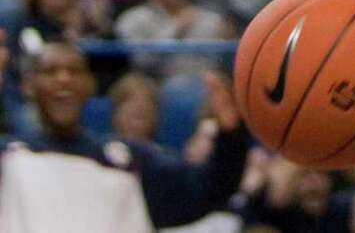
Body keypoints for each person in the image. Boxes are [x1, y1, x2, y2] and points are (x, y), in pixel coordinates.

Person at [0, 40, 248, 233]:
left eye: (74, 71)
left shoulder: (130, 160)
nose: (63, 79)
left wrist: (231, 134)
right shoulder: (8, 157)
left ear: (90, 85)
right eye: (50, 71)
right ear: (28, 86)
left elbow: (210, 189)